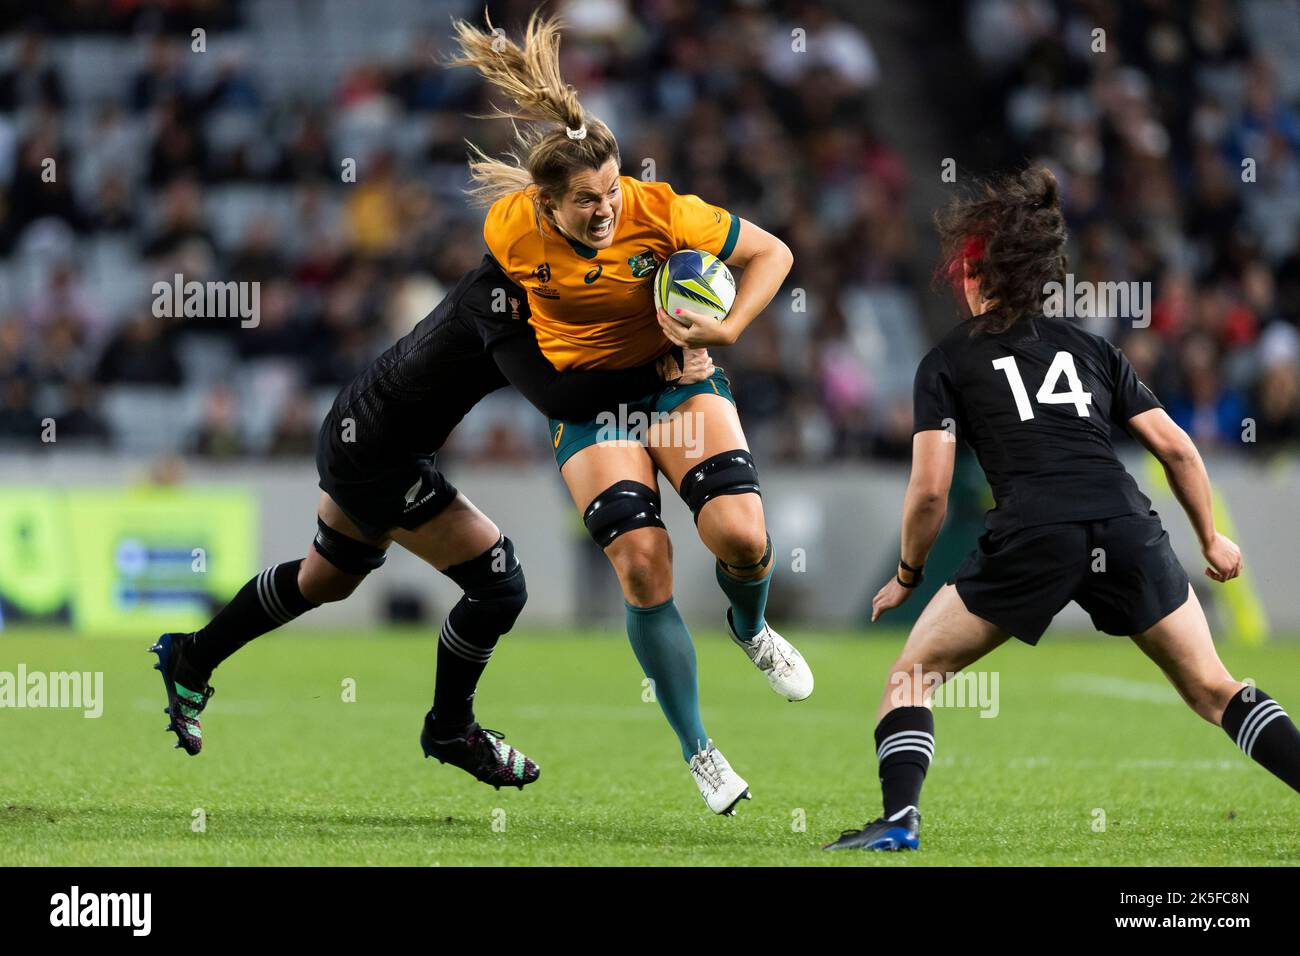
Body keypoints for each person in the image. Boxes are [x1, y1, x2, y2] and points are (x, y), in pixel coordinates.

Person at [825, 167, 1300, 851]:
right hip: (1126, 525)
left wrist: (907, 573)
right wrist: (1212, 538)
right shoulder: (1094, 349)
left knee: (913, 676)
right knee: (1214, 689)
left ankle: (899, 821)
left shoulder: (949, 359)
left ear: (973, 273)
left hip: (1034, 532)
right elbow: (1179, 451)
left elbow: (930, 489)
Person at [151, 254, 709, 791]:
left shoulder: (537, 286)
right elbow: (555, 394)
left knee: (325, 579)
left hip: (364, 432)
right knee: (498, 583)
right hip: (377, 452)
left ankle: (191, 658)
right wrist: (656, 366)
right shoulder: (499, 298)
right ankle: (451, 729)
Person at [448, 11, 814, 815]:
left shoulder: (659, 208)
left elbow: (773, 254)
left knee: (743, 537)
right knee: (643, 561)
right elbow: (502, 316)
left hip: (676, 384)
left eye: (611, 191)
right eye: (586, 201)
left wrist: (726, 328)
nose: (607, 210)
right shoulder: (509, 232)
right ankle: (701, 751)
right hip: (591, 408)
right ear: (545, 203)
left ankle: (749, 627)